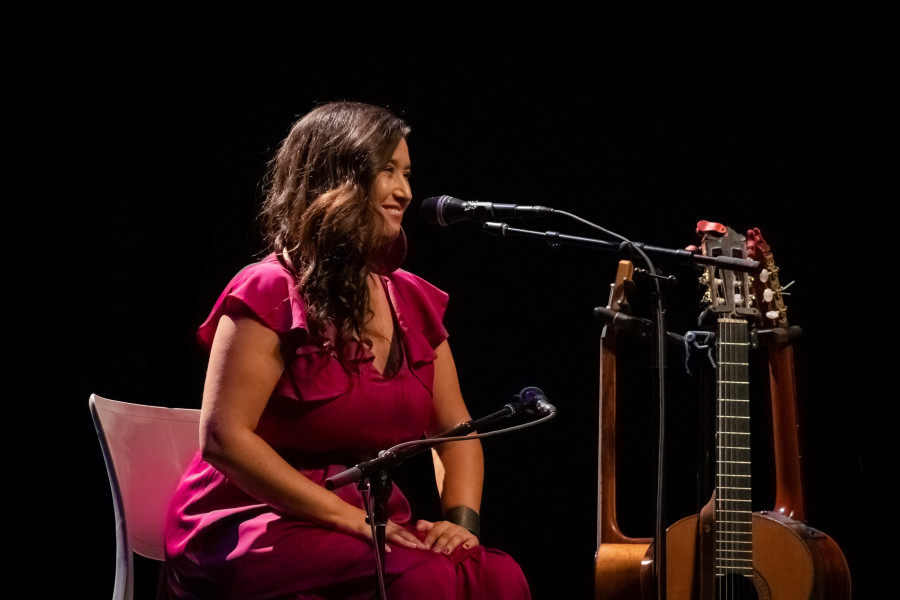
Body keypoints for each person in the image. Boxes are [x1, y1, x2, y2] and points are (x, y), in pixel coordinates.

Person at [163, 101, 531, 599]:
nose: (405, 191)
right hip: (254, 519)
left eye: (407, 174)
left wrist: (461, 522)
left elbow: (455, 431)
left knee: (496, 574)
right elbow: (223, 436)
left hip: (367, 522)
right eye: (387, 172)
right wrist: (349, 517)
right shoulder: (269, 288)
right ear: (338, 176)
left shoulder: (414, 300)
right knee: (419, 578)